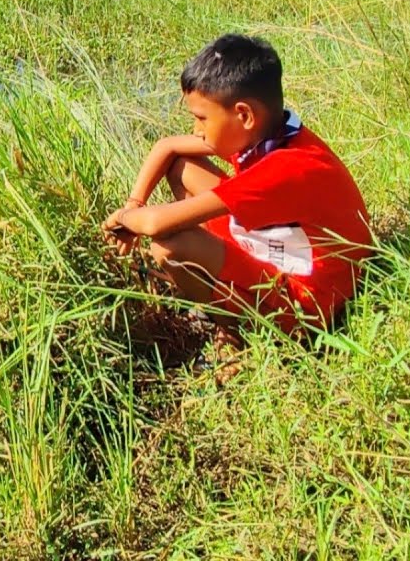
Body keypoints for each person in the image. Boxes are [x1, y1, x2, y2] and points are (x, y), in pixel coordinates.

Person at [102, 34, 371, 364]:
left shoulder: (285, 168)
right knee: (182, 167)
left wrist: (124, 219)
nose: (196, 129)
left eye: (201, 118)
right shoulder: (273, 133)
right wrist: (135, 203)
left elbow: (156, 224)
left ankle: (233, 332)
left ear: (244, 115)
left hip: (302, 308)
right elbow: (168, 148)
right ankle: (224, 286)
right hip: (280, 246)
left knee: (169, 247)